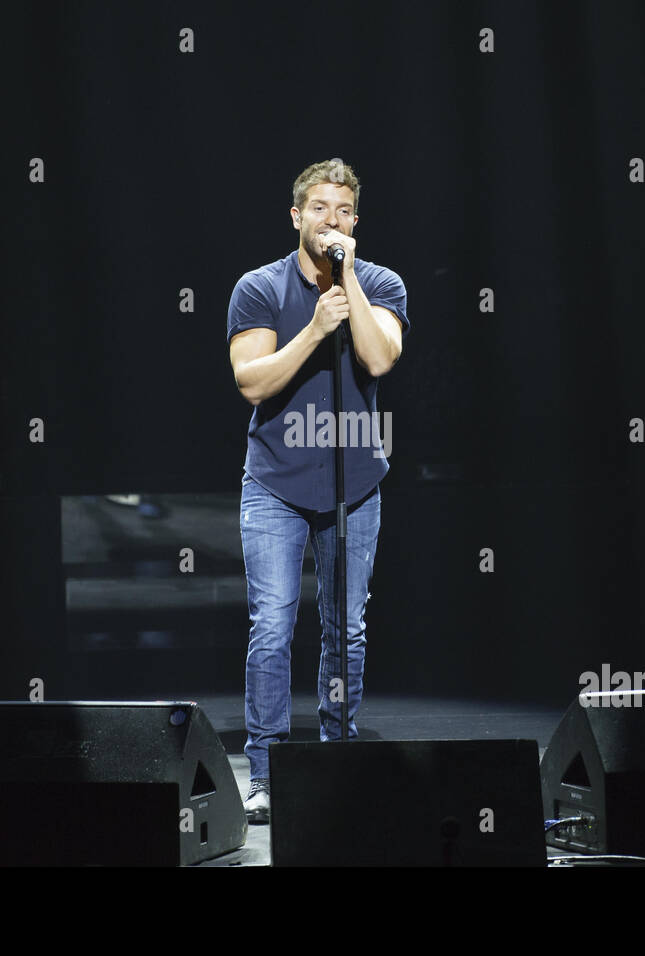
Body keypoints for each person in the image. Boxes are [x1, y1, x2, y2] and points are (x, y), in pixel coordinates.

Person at [226, 158, 409, 823]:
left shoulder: (380, 283)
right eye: (319, 209)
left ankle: (337, 752)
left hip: (352, 487)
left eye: (343, 211)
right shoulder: (259, 287)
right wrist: (313, 328)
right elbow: (252, 381)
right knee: (272, 625)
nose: (331, 220)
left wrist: (349, 282)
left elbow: (381, 358)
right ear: (296, 215)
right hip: (274, 481)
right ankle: (268, 771)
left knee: (346, 630)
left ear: (354, 222)